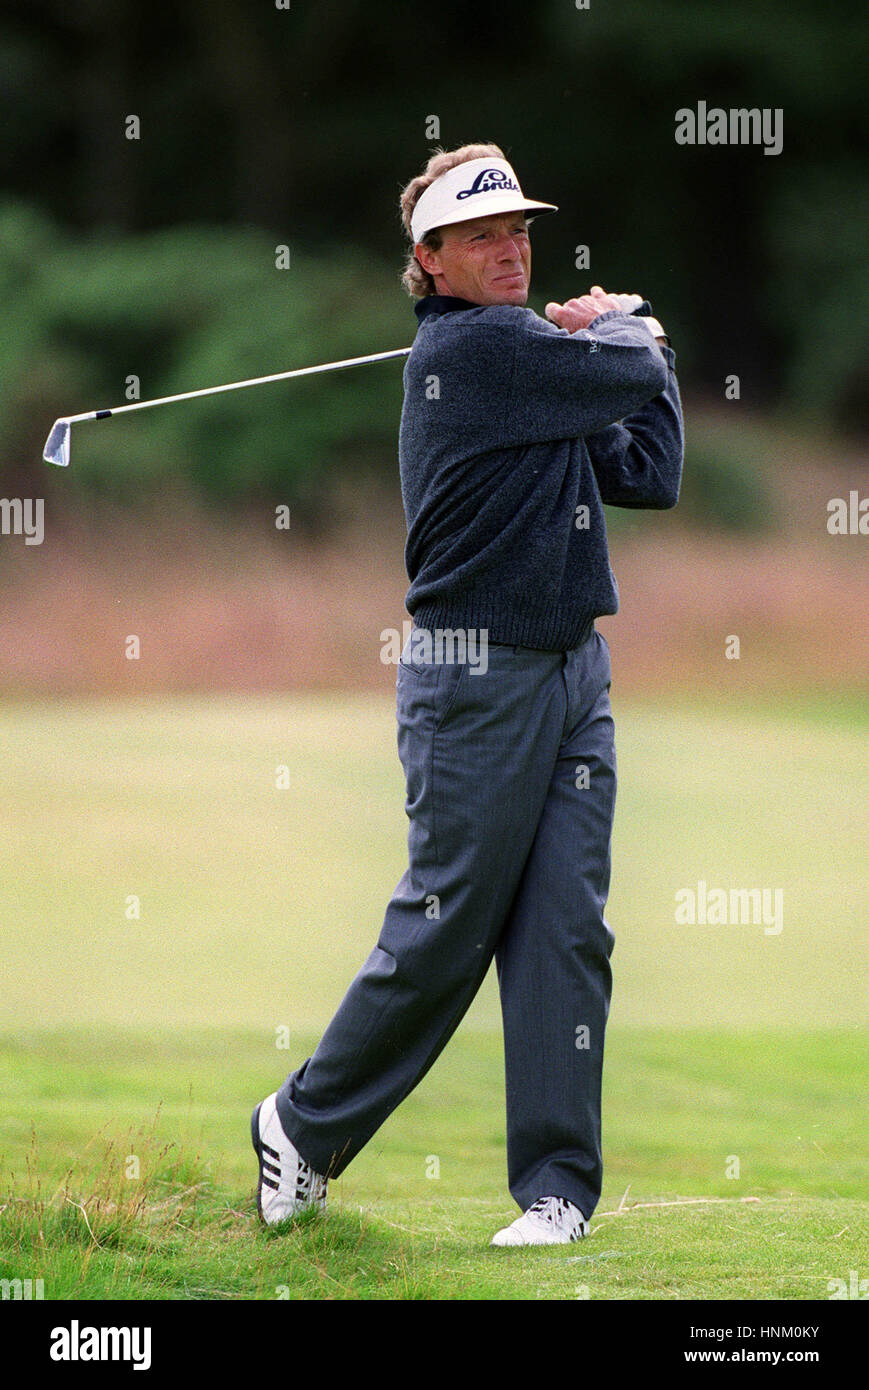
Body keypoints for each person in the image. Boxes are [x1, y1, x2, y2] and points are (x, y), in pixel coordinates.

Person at [252, 142, 683, 1246]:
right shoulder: (480, 351)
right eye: (483, 235)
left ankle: (554, 1191)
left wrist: (639, 345)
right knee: (446, 925)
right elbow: (623, 374)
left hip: (570, 669)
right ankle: (299, 1126)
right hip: (471, 676)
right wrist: (622, 323)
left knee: (564, 933)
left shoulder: (532, 357)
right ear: (430, 259)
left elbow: (646, 467)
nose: (511, 249)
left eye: (519, 230)